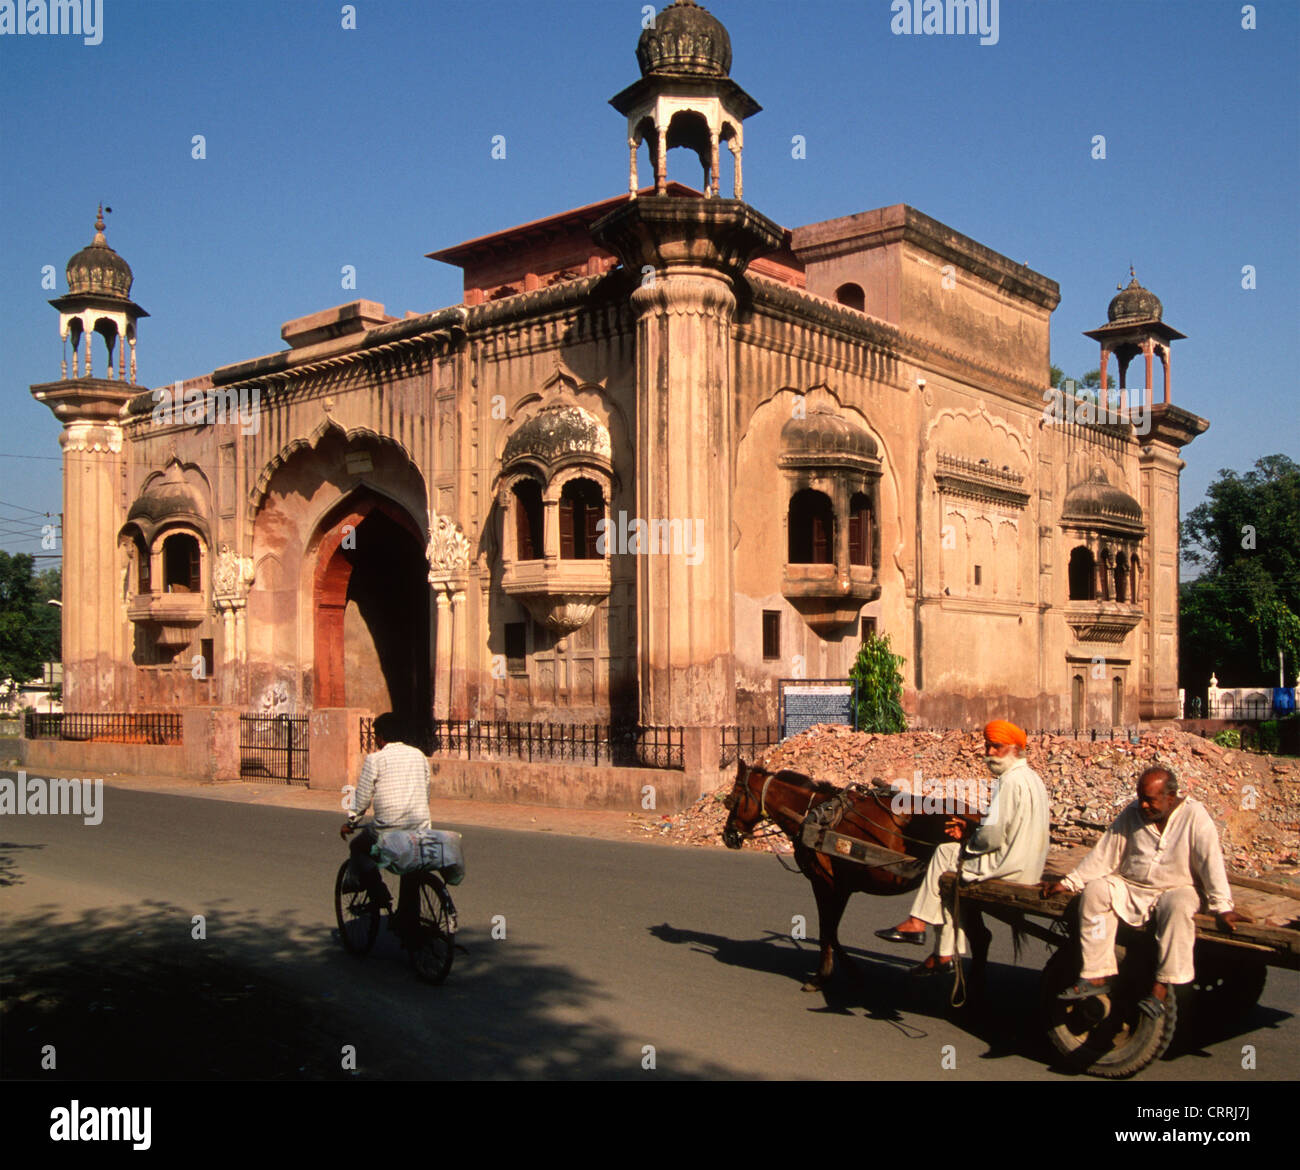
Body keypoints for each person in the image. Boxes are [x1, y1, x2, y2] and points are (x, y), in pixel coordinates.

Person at [1042, 766, 1250, 1018]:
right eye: (1140, 797)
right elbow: (1105, 854)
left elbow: (1210, 863)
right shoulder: (1132, 813)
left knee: (1179, 907)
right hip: (1132, 887)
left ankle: (1161, 989)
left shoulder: (1194, 816)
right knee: (1096, 892)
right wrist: (1071, 882)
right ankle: (1095, 975)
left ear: (1170, 797)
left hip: (1177, 888)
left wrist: (1223, 908)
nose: (1142, 805)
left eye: (1150, 800)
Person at [875, 719, 1051, 976]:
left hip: (1009, 866)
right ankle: (944, 952)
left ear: (1014, 748)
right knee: (948, 882)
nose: (989, 752)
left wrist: (970, 841)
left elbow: (993, 835)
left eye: (996, 747)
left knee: (946, 851)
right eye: (988, 746)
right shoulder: (1032, 778)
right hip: (1028, 865)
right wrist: (970, 830)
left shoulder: (1009, 781)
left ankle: (917, 922)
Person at [340, 712, 433, 940]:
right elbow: (426, 789)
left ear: (381, 737)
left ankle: (378, 892)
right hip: (419, 827)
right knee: (410, 869)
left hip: (387, 830)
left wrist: (351, 821)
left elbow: (362, 797)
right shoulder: (419, 755)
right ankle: (408, 920)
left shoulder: (376, 759)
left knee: (358, 847)